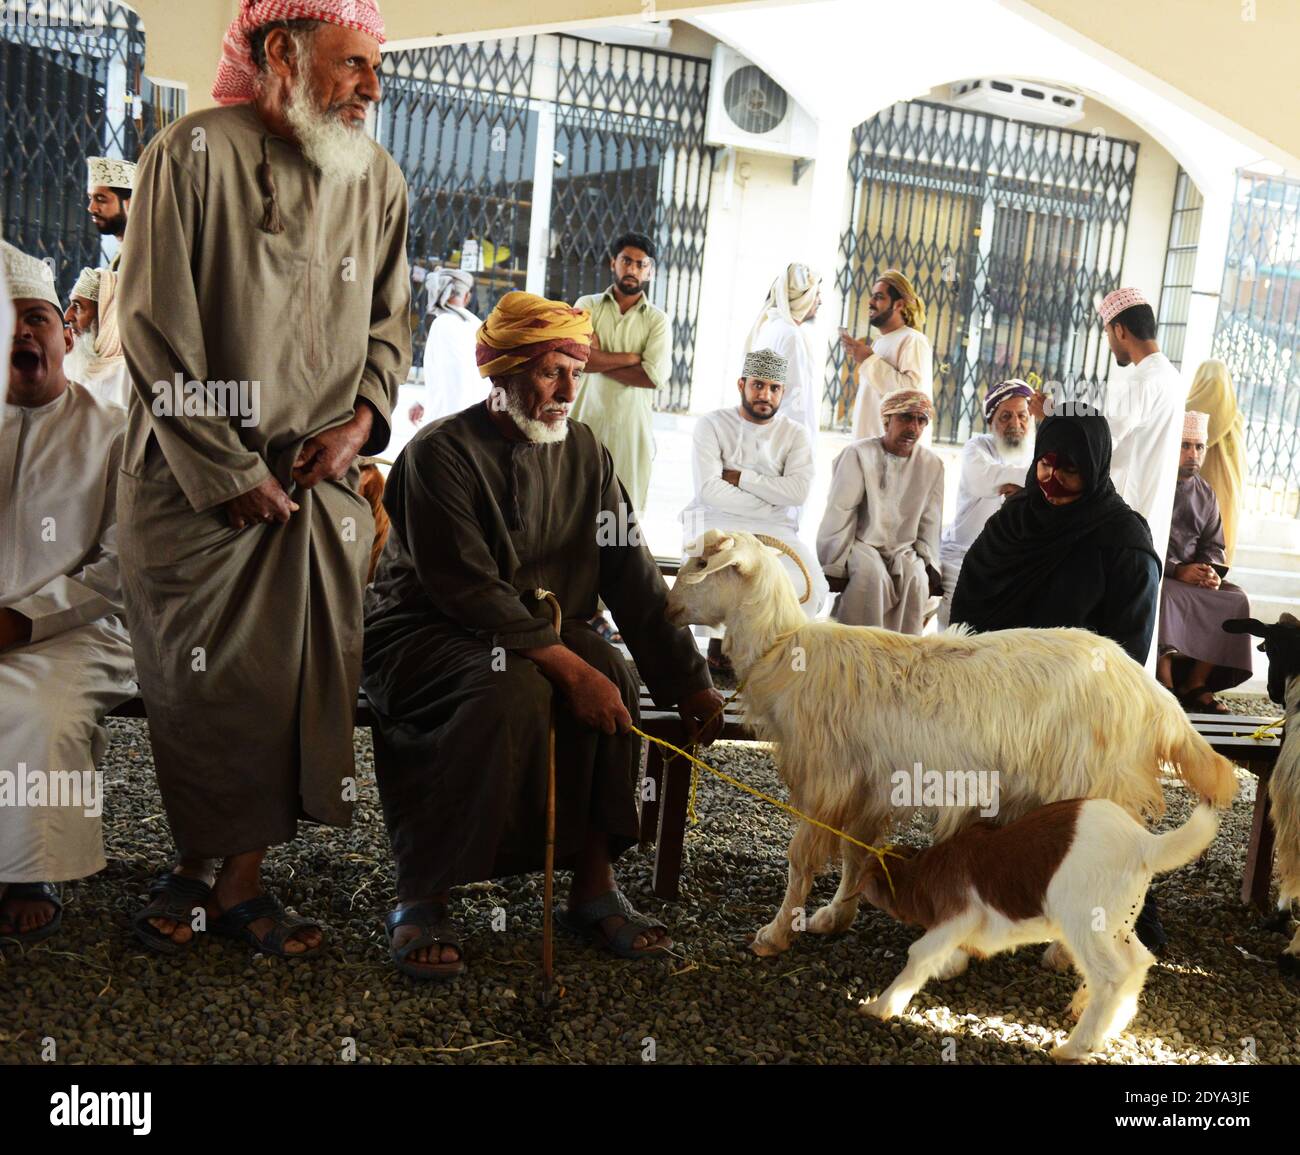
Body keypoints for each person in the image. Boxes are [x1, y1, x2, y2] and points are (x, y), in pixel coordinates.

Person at [116, 1, 408, 958]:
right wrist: (231, 470)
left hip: (315, 499)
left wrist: (358, 427)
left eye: (377, 68)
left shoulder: (380, 180)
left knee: (286, 688)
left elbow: (391, 329)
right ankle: (201, 860)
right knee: (203, 689)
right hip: (197, 490)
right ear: (280, 52)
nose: (373, 86)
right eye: (355, 63)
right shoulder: (188, 152)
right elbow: (153, 328)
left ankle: (237, 880)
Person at [362, 292, 723, 979]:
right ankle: (422, 895)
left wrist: (689, 681)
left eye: (576, 372)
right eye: (552, 370)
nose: (567, 390)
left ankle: (593, 886)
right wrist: (566, 666)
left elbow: (631, 572)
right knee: (509, 688)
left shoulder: (586, 451)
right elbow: (465, 586)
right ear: (502, 371)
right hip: (426, 634)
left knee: (611, 672)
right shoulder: (440, 452)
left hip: (537, 634)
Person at [951, 411, 1167, 950]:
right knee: (980, 804)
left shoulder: (1122, 541)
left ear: (1094, 470)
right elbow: (969, 611)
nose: (1049, 478)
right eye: (1043, 463)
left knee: (1087, 812)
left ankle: (1114, 920)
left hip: (1078, 710)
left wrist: (1066, 698)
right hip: (998, 702)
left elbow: (1126, 649)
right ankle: (989, 906)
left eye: (1067, 468)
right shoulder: (1013, 522)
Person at [0, 241, 136, 946]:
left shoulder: (109, 432)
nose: (24, 333)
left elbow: (118, 567)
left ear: (67, 334)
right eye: (11, 320)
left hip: (82, 628)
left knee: (36, 704)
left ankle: (28, 868)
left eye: (39, 320)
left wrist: (24, 621)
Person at [680, 348, 828, 665]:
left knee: (809, 582)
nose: (765, 394)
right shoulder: (712, 424)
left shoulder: (795, 434)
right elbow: (709, 490)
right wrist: (772, 498)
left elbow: (798, 492)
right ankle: (716, 651)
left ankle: (775, 656)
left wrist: (741, 477)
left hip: (775, 531)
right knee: (715, 574)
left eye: (774, 388)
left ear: (782, 392)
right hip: (716, 523)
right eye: (758, 385)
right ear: (741, 384)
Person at [569, 231, 671, 642]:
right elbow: (580, 356)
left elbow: (652, 375)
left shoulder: (657, 320)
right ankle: (571, 608)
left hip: (632, 440)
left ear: (651, 271)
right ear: (613, 263)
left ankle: (601, 613)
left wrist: (601, 359)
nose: (633, 269)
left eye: (641, 263)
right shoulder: (587, 306)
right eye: (627, 261)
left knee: (615, 527)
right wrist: (629, 357)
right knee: (572, 520)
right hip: (582, 430)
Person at [1096, 288, 1186, 635]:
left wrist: (1054, 415)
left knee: (1117, 620)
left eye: (1107, 333)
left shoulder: (1142, 381)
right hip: (1152, 517)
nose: (1109, 343)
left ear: (1120, 330)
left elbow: (1101, 439)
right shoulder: (1172, 379)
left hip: (1128, 517)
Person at [817, 388, 943, 632]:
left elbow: (931, 520)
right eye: (905, 417)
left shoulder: (931, 464)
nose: (913, 428)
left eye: (921, 421)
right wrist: (834, 565)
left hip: (903, 549)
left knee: (916, 579)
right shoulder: (858, 455)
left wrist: (930, 563)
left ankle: (900, 661)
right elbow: (840, 511)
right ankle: (854, 657)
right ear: (887, 421)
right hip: (861, 544)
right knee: (870, 578)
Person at [1156, 411, 1253, 712]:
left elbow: (1213, 544)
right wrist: (1176, 569)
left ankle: (1196, 682)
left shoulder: (1206, 493)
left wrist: (1211, 571)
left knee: (1235, 599)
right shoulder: (1155, 485)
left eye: (1199, 447)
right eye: (1185, 445)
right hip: (1161, 572)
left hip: (1192, 576)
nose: (1192, 455)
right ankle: (1162, 683)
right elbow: (1143, 537)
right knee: (1166, 593)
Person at [937, 379, 1035, 628]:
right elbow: (984, 479)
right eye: (1005, 417)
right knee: (957, 617)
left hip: (1013, 559)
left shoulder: (1037, 453)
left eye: (1022, 416)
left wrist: (1014, 479)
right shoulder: (977, 447)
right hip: (962, 553)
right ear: (991, 422)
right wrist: (1031, 481)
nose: (1016, 424)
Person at [842, 270, 934, 440]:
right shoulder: (880, 342)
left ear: (898, 305)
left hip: (895, 452)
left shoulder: (913, 340)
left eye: (879, 297)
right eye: (872, 296)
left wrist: (868, 360)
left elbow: (912, 395)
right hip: (869, 447)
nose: (870, 302)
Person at [744, 262, 825, 446]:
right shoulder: (790, 335)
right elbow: (794, 398)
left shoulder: (772, 327)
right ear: (804, 298)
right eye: (817, 294)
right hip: (783, 444)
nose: (820, 301)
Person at [1185, 359, 1247, 564]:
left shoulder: (1187, 415)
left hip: (1198, 499)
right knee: (1216, 554)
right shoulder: (1236, 418)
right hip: (1228, 497)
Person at [409, 268, 481, 426]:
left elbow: (453, 376)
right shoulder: (475, 323)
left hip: (452, 421)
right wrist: (424, 402)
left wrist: (449, 424)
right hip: (475, 417)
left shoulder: (444, 322)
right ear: (467, 297)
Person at [63, 266, 130, 408]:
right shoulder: (71, 366)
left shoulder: (134, 379)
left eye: (77, 306)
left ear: (107, 317)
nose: (67, 316)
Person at [86, 157, 135, 272]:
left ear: (130, 202)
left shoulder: (143, 254)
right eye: (90, 198)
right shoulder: (124, 250)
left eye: (101, 199)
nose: (91, 208)